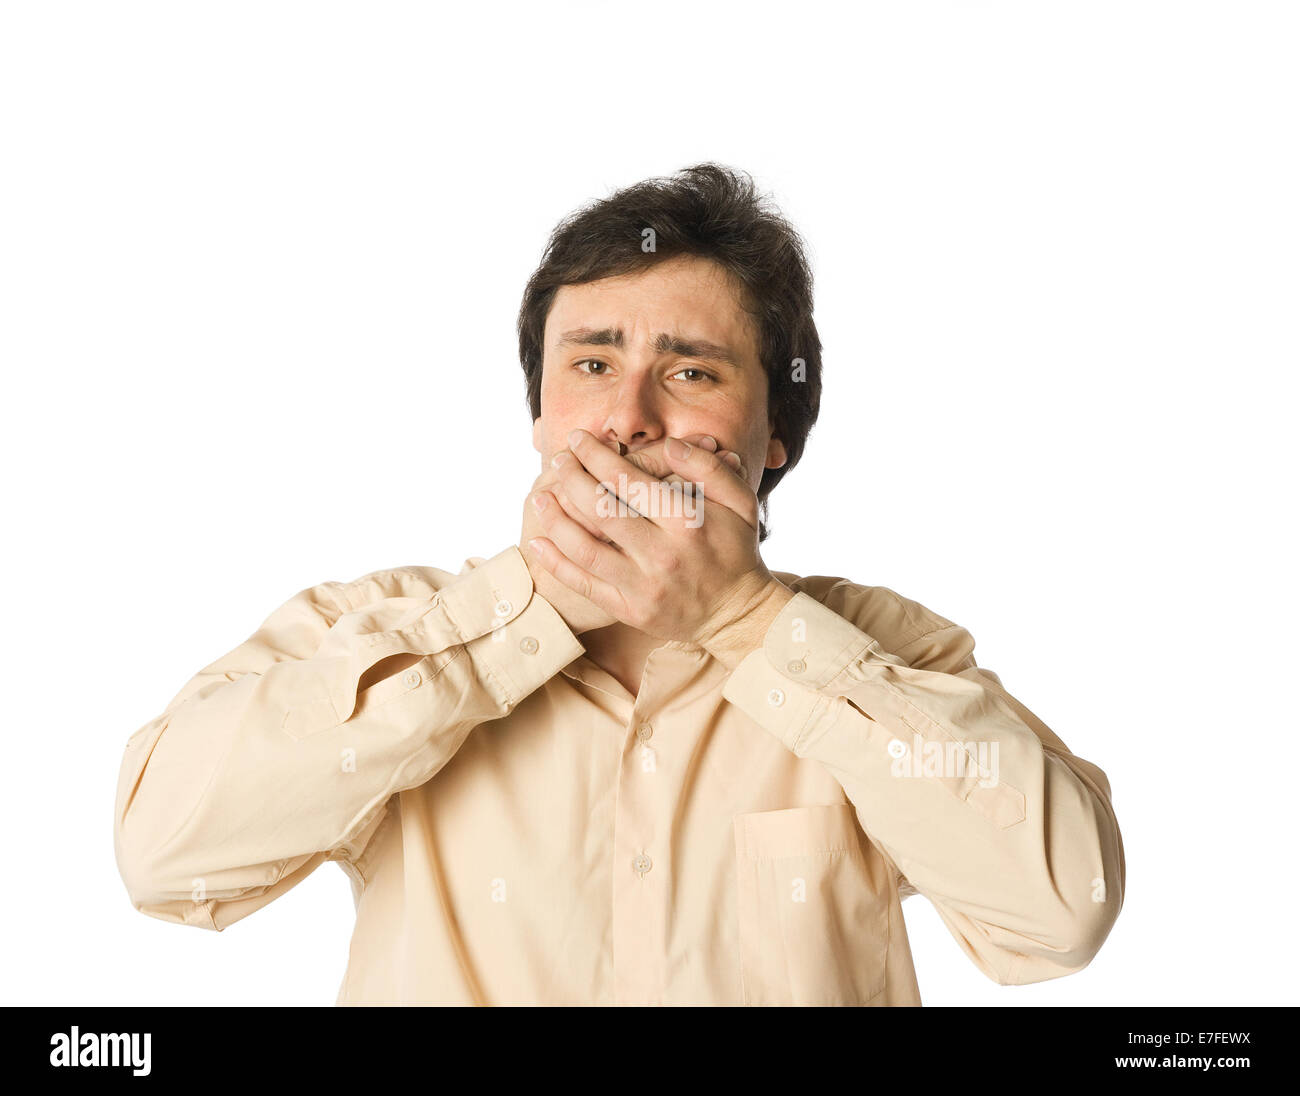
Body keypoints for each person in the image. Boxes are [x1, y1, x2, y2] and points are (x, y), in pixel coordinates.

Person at [113, 163, 1125, 1005]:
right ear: (542, 415)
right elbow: (162, 855)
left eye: (690, 371)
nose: (630, 417)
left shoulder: (887, 651)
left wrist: (744, 621)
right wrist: (525, 615)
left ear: (774, 432)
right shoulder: (375, 628)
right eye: (592, 364)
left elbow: (1060, 908)